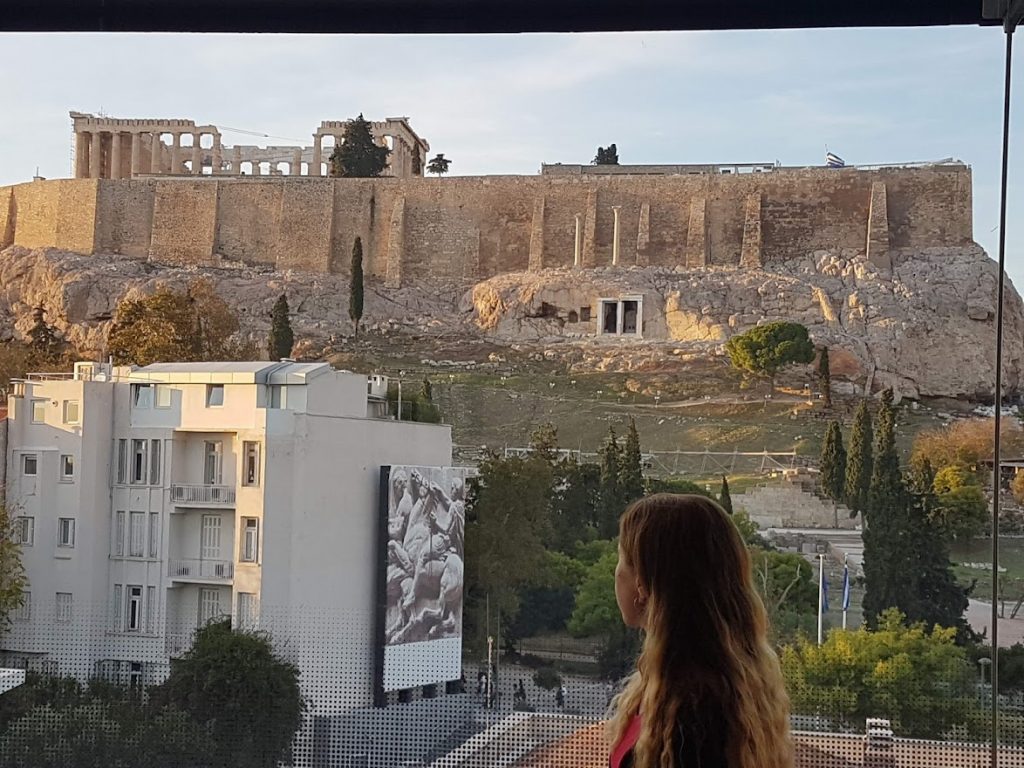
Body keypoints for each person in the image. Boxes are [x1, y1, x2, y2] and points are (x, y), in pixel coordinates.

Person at [608, 494, 793, 768]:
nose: (616, 571)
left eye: (622, 558)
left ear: (643, 585)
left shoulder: (693, 716)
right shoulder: (689, 688)